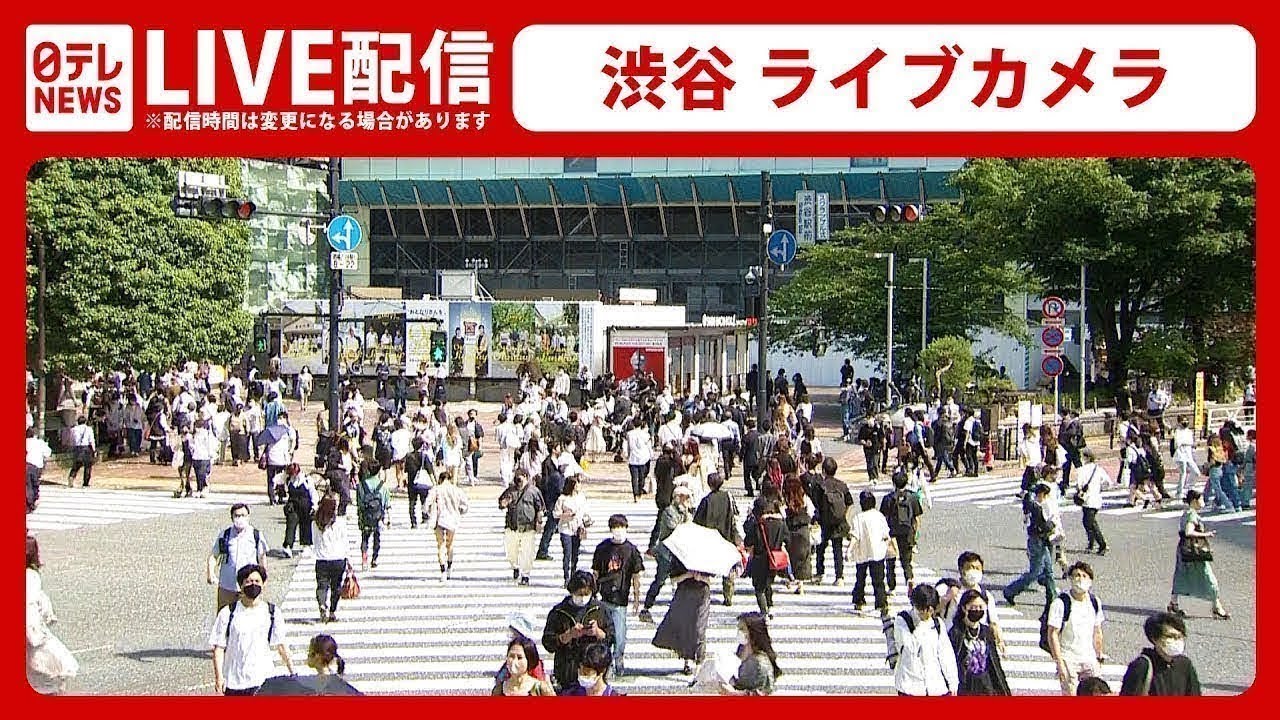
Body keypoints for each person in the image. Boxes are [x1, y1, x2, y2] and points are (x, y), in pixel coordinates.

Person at [209, 564, 294, 695]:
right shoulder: (228, 613)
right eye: (248, 582)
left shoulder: (272, 612)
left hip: (263, 680)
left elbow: (281, 645)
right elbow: (218, 647)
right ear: (240, 586)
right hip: (234, 682)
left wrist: (292, 671)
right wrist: (219, 677)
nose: (253, 585)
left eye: (257, 581)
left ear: (264, 584)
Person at [542, 570, 615, 693]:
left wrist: (598, 632)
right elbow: (548, 642)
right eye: (579, 594)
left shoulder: (600, 610)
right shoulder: (559, 612)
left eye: (586, 593)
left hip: (593, 670)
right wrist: (568, 635)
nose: (582, 597)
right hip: (567, 670)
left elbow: (612, 638)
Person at [590, 514, 644, 676]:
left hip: (621, 600)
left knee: (620, 635)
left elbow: (636, 576)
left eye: (621, 527)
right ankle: (606, 665)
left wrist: (636, 598)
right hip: (604, 598)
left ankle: (618, 658)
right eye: (615, 527)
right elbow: (595, 572)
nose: (618, 531)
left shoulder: (632, 550)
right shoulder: (602, 548)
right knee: (604, 635)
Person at [27, 536, 78, 694]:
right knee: (49, 684)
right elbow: (29, 609)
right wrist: (36, 637)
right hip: (32, 640)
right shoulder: (29, 576)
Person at [1047, 561, 1108, 695]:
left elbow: (1097, 631)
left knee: (1096, 692)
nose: (1079, 579)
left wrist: (1099, 656)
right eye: (1076, 576)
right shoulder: (1061, 603)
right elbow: (1052, 634)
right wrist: (1059, 663)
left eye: (1084, 576)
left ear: (1090, 580)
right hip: (1068, 658)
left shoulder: (1094, 602)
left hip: (1089, 657)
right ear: (1070, 579)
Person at [1168, 490, 1231, 619]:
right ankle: (1216, 606)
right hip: (1194, 551)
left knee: (1182, 576)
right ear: (1194, 501)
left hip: (1184, 550)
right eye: (1201, 500)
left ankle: (1173, 604)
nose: (1203, 502)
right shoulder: (1192, 515)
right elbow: (1189, 532)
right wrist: (1206, 534)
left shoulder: (1187, 513)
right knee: (1208, 577)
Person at [887, 584, 959, 696]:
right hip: (910, 686)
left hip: (936, 686)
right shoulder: (903, 620)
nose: (927, 613)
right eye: (922, 609)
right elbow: (909, 649)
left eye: (931, 610)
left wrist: (953, 681)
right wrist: (922, 624)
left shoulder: (937, 623)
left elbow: (946, 654)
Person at [652, 553, 713, 675]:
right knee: (685, 628)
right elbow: (673, 579)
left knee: (698, 629)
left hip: (701, 596)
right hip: (684, 594)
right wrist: (688, 575)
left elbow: (710, 580)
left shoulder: (706, 556)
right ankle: (687, 662)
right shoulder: (680, 556)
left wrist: (701, 578)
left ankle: (699, 662)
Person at [640, 485, 694, 623]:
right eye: (685, 497)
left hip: (679, 552)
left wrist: (687, 513)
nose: (687, 500)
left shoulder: (686, 512)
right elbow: (676, 528)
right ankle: (647, 605)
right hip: (666, 552)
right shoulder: (669, 511)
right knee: (660, 579)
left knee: (681, 578)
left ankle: (679, 607)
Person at [1003, 482, 1058, 608]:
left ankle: (1052, 597)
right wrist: (1052, 525)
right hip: (1038, 541)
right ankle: (1011, 590)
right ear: (1042, 494)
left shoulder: (1030, 505)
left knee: (1048, 571)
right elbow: (1044, 526)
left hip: (1039, 541)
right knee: (1035, 572)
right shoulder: (1037, 508)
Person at [1119, 613, 1201, 695]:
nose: (1176, 641)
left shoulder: (1184, 665)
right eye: (1170, 636)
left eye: (1179, 636)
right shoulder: (1142, 666)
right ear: (1154, 638)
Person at [207, 504, 269, 612]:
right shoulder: (225, 535)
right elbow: (214, 556)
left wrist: (263, 580)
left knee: (249, 616)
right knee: (224, 617)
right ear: (232, 518)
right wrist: (210, 573)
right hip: (227, 586)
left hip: (248, 585)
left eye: (243, 515)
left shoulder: (256, 535)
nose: (240, 518)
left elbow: (262, 558)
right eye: (237, 515)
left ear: (248, 516)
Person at [948, 589, 1010, 695]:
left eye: (980, 607)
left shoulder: (986, 632)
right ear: (964, 608)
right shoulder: (956, 633)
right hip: (966, 687)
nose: (977, 610)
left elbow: (994, 663)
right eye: (973, 607)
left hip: (986, 686)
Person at [693, 472, 741, 606]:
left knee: (706, 570)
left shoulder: (706, 500)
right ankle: (728, 596)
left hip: (710, 539)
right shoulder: (727, 497)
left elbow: (697, 521)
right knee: (728, 570)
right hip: (726, 536)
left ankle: (704, 595)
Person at [743, 497, 789, 619]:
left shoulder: (757, 524)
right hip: (774, 558)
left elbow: (748, 542)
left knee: (759, 588)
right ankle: (770, 606)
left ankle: (764, 612)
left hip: (759, 559)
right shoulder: (780, 523)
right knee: (768, 583)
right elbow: (787, 539)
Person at [499, 469, 546, 586]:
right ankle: (515, 566)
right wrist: (503, 503)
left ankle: (525, 574)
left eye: (520, 478)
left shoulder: (534, 491)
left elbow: (540, 508)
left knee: (527, 552)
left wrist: (539, 522)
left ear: (526, 477)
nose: (518, 481)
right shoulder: (510, 490)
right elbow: (501, 503)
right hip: (512, 526)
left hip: (528, 527)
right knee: (511, 551)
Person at [717, 612, 782, 695]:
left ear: (752, 632)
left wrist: (733, 693)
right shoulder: (741, 649)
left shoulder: (760, 663)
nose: (739, 632)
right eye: (738, 628)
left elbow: (761, 693)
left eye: (742, 629)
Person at [849, 490, 891, 617]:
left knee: (860, 578)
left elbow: (855, 536)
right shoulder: (879, 516)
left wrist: (849, 550)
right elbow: (886, 535)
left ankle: (859, 600)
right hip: (877, 552)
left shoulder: (858, 518)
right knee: (878, 579)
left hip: (862, 552)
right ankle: (881, 603)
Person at [881, 469, 923, 594]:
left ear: (893, 483)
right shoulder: (913, 497)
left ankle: (891, 586)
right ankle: (909, 579)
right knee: (906, 560)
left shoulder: (888, 498)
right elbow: (916, 519)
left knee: (890, 561)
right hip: (908, 532)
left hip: (892, 532)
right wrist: (915, 534)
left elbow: (883, 517)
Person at [813, 457, 853, 587]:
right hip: (839, 522)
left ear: (824, 470)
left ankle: (820, 573)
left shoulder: (820, 486)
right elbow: (849, 503)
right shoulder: (842, 485)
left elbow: (816, 504)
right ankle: (839, 576)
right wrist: (842, 515)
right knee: (838, 549)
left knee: (820, 548)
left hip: (824, 521)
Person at [425, 470, 470, 582]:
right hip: (452, 519)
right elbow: (465, 505)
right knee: (450, 545)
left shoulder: (436, 489)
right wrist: (460, 511)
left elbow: (426, 504)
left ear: (440, 479)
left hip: (439, 519)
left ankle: (443, 571)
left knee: (440, 545)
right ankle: (449, 567)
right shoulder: (457, 490)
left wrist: (428, 513)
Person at [312, 493, 348, 623]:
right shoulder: (340, 522)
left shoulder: (316, 522)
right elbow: (345, 542)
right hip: (338, 558)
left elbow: (314, 541)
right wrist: (348, 560)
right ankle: (332, 612)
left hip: (321, 558)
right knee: (336, 587)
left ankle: (322, 604)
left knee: (322, 585)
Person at [356, 449, 391, 570]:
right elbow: (386, 503)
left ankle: (364, 558)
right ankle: (374, 558)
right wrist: (388, 519)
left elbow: (359, 502)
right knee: (377, 537)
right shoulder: (383, 486)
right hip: (378, 516)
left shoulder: (361, 485)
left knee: (365, 537)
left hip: (365, 515)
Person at [781, 473, 815, 594]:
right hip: (803, 530)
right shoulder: (804, 498)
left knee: (790, 556)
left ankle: (790, 579)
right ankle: (801, 584)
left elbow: (782, 515)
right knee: (804, 558)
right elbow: (811, 512)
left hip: (790, 530)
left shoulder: (784, 500)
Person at [1075, 447, 1109, 555]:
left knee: (1090, 523)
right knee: (1088, 522)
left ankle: (1102, 544)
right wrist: (1099, 488)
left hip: (1087, 500)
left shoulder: (1082, 470)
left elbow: (1079, 485)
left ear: (1086, 457)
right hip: (1096, 498)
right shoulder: (1098, 469)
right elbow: (1107, 482)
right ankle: (1091, 544)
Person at [559, 642, 623, 696]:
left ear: (602, 671)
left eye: (587, 672)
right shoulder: (571, 693)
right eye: (580, 671)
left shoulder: (612, 695)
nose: (582, 675)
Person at [282, 463, 318, 556]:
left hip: (306, 505)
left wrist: (314, 506)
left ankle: (307, 545)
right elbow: (278, 481)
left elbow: (313, 493)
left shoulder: (306, 480)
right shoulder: (288, 480)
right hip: (293, 506)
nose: (292, 476)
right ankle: (288, 545)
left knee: (305, 525)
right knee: (291, 524)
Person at [26, 427, 52, 513]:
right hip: (36, 466)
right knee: (34, 484)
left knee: (27, 485)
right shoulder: (40, 443)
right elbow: (48, 453)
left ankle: (29, 502)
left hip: (26, 464)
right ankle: (32, 501)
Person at [67, 415, 95, 487]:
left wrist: (72, 447)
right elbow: (91, 440)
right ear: (85, 422)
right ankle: (86, 482)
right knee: (88, 466)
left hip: (77, 448)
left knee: (76, 465)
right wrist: (94, 450)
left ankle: (71, 477)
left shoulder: (73, 429)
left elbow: (72, 440)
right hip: (86, 448)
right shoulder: (89, 429)